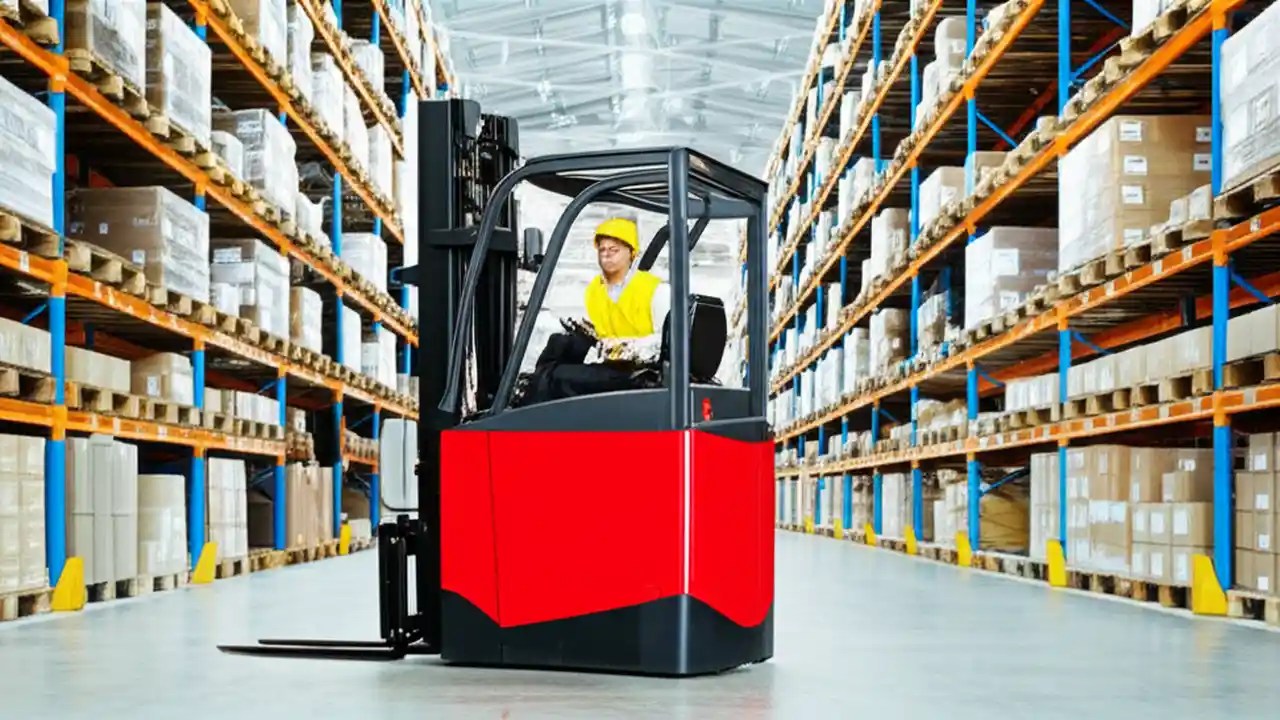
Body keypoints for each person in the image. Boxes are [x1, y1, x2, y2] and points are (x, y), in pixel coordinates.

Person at [582, 217, 670, 362]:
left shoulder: (657, 291)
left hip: (647, 374)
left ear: (632, 253)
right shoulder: (593, 291)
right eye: (602, 249)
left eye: (614, 249)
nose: (606, 254)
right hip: (609, 372)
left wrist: (626, 346)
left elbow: (670, 342)